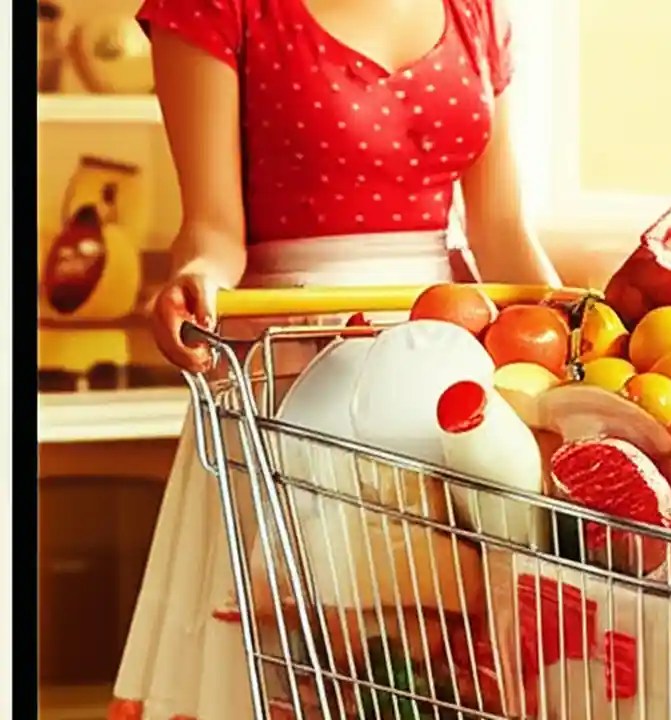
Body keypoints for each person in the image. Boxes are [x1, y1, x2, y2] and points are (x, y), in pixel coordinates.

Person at [109, 0, 558, 717]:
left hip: (443, 365)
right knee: (297, 661)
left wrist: (575, 323)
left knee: (440, 670)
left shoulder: (472, 10)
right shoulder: (219, 7)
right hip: (294, 364)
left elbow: (502, 227)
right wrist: (199, 281)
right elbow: (214, 229)